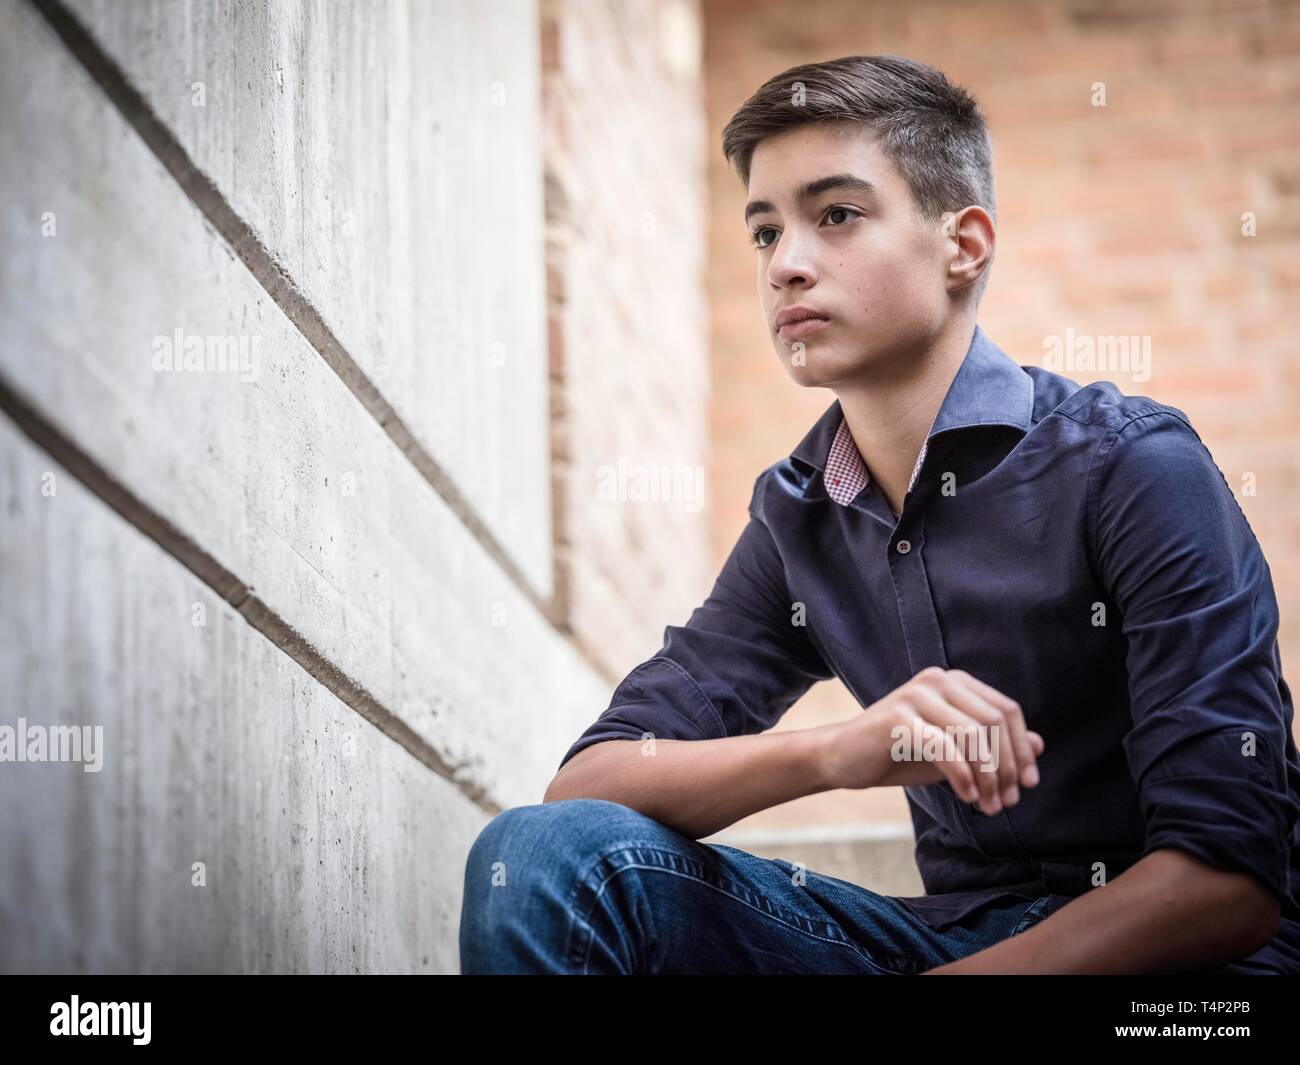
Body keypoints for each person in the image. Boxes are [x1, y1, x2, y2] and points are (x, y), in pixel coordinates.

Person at [459, 54, 1300, 975]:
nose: (786, 265)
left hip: (1182, 982)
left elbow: (1229, 881)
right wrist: (839, 753)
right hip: (947, 939)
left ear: (964, 245)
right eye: (765, 231)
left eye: (836, 216)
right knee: (545, 858)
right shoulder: (800, 516)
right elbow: (589, 782)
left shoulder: (1132, 467)